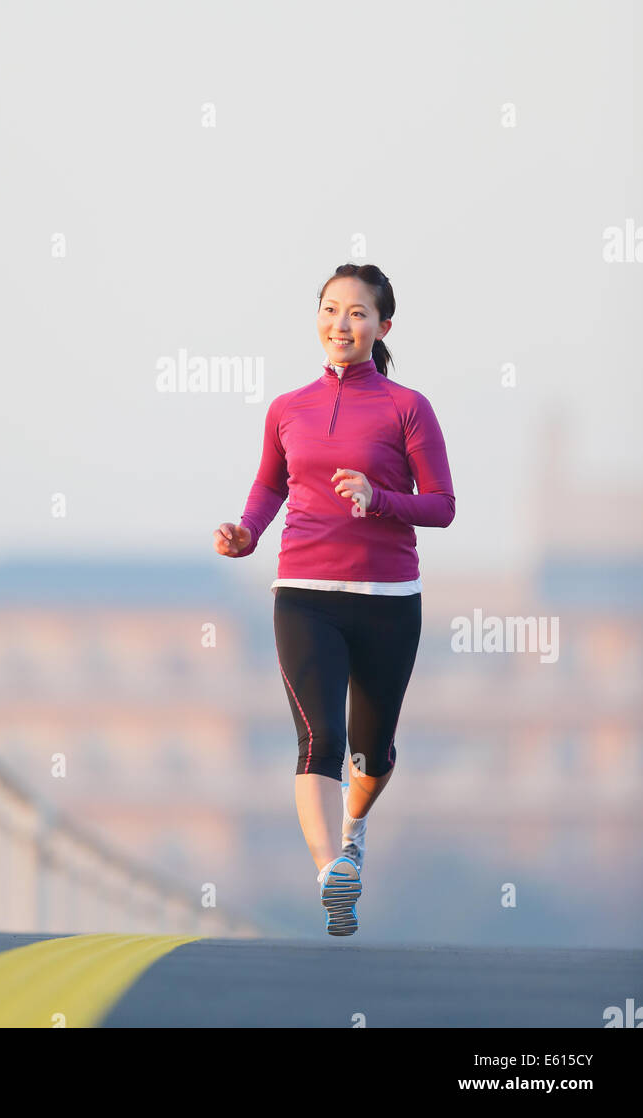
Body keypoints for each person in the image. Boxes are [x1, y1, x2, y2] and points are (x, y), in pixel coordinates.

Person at [213, 263, 456, 936]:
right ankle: (332, 873)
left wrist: (381, 501)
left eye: (356, 313)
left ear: (383, 326)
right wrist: (245, 533)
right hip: (304, 595)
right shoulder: (288, 408)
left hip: (388, 598)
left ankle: (353, 826)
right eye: (329, 309)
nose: (340, 324)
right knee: (320, 738)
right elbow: (269, 488)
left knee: (372, 754)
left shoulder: (408, 407)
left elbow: (442, 506)